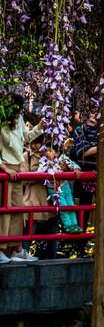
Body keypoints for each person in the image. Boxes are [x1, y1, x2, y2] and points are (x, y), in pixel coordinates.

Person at [0, 94, 45, 262]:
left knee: (18, 210)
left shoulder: (19, 120)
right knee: (5, 211)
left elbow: (26, 137)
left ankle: (16, 249)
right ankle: (1, 249)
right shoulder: (2, 121)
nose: (19, 113)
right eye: (17, 109)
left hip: (18, 169)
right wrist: (4, 168)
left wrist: (39, 127)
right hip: (6, 169)